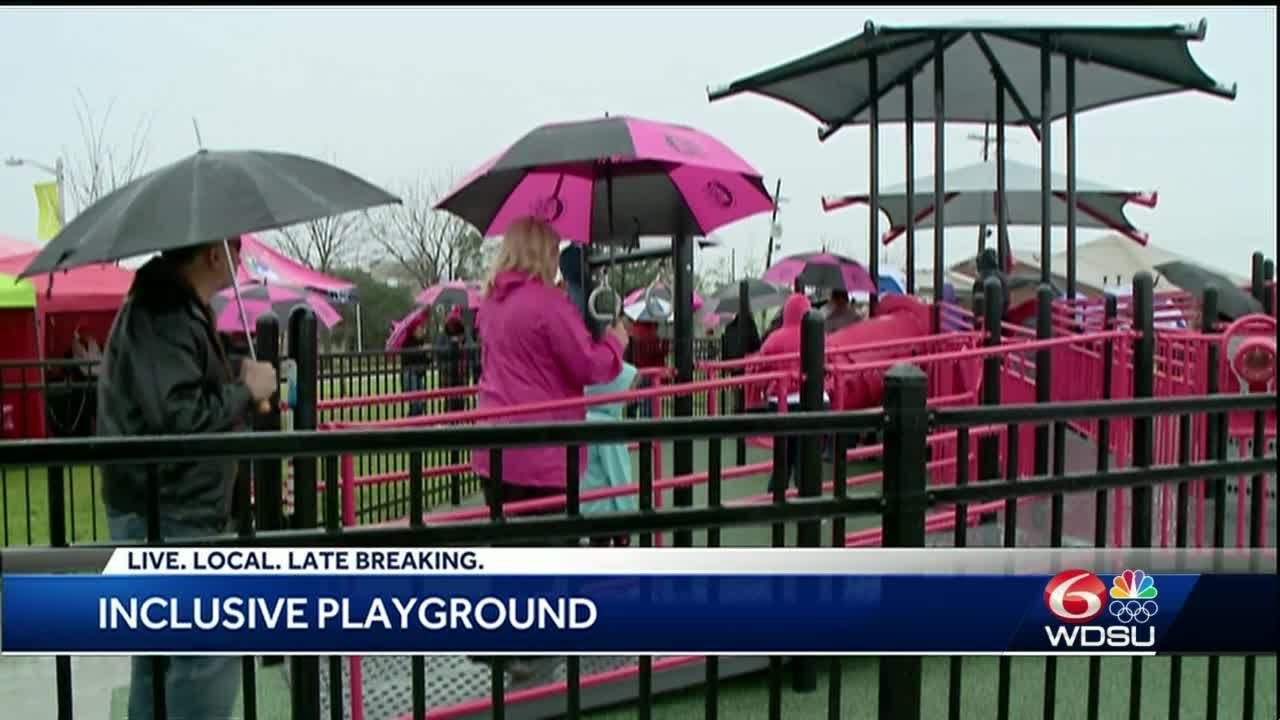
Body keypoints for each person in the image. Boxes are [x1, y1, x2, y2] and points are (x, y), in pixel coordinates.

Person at [96, 236, 277, 720]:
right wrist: (244, 391)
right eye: (236, 252)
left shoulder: (169, 308)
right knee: (204, 654)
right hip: (172, 511)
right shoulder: (164, 314)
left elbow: (176, 391)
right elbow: (178, 418)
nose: (241, 263)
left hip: (159, 505)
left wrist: (234, 370)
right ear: (213, 255)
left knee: (159, 660)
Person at [581, 361, 641, 547]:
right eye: (628, 388)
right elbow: (618, 474)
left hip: (587, 505)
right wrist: (629, 511)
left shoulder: (582, 420)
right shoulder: (608, 427)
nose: (632, 395)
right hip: (609, 509)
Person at [401, 321, 432, 416]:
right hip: (410, 375)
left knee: (422, 402)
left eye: (422, 329)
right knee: (414, 403)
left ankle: (415, 423)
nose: (422, 331)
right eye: (419, 329)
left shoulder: (422, 342)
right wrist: (420, 349)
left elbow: (426, 361)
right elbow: (407, 358)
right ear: (413, 331)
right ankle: (412, 425)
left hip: (419, 375)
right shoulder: (406, 342)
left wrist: (428, 355)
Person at [972, 247, 1011, 318]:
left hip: (987, 320)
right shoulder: (1002, 276)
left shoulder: (981, 279)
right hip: (1002, 316)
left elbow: (977, 305)